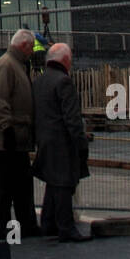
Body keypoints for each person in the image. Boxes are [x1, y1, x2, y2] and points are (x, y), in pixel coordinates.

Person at [32, 42, 91, 242]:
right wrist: (81, 143)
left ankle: (48, 223)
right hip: (62, 143)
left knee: (53, 182)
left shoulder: (39, 81)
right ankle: (66, 228)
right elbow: (72, 118)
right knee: (64, 184)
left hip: (45, 140)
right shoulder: (64, 82)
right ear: (66, 60)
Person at [0, 28, 42, 240]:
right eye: (31, 47)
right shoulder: (7, 65)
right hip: (8, 138)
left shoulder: (17, 64)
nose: (32, 52)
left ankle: (26, 225)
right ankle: (2, 228)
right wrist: (6, 128)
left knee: (21, 185)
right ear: (24, 46)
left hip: (17, 137)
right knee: (6, 187)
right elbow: (0, 99)